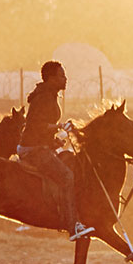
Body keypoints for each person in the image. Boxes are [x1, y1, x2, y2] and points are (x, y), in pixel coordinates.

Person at [19, 60, 94, 240]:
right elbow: (35, 125)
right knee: (67, 176)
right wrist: (58, 126)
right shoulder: (43, 97)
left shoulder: (49, 95)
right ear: (51, 79)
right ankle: (72, 225)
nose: (65, 79)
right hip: (33, 150)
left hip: (41, 146)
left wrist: (54, 142)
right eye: (61, 76)